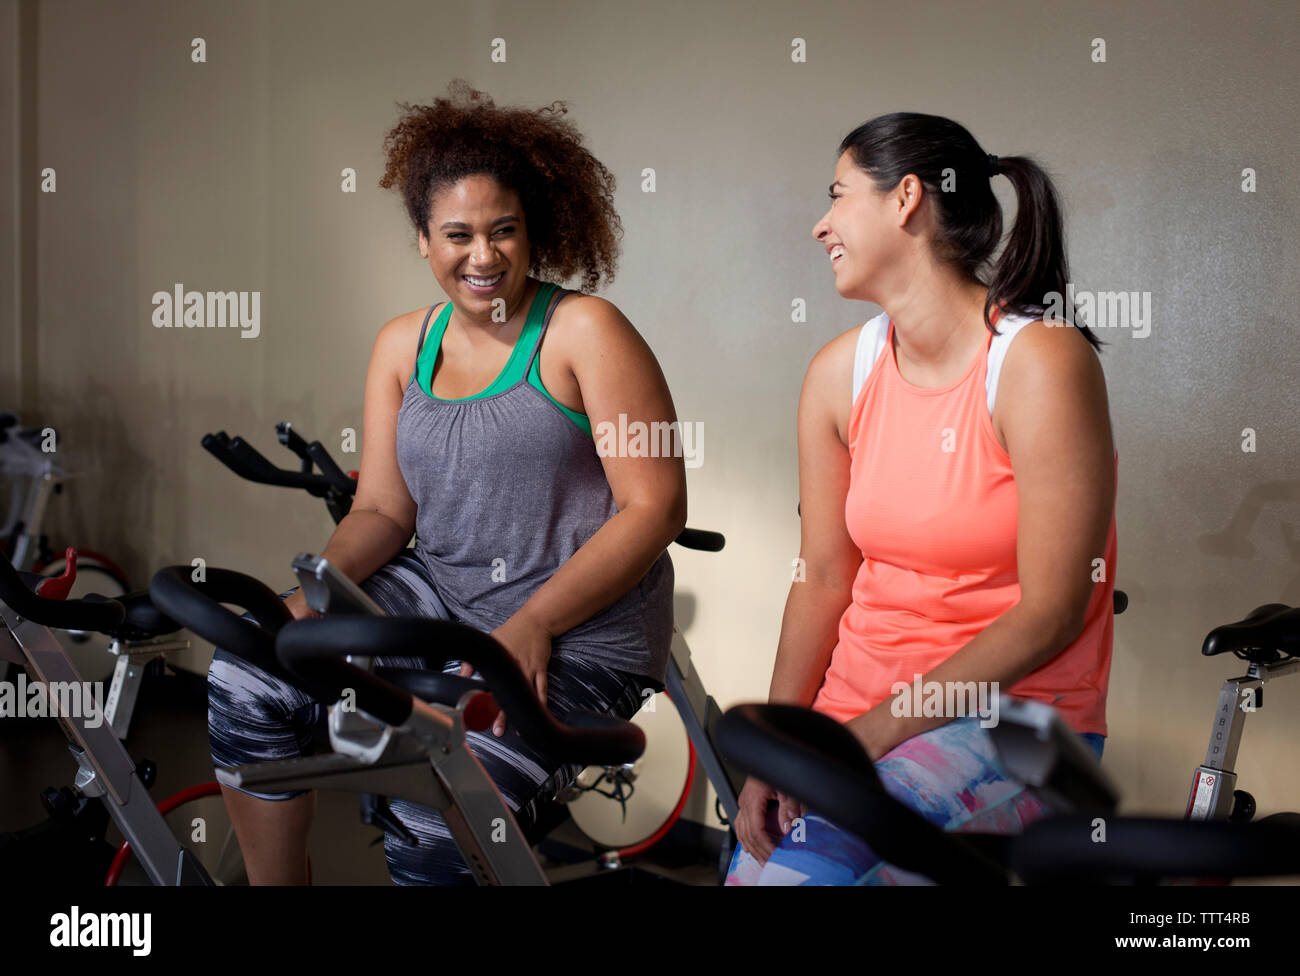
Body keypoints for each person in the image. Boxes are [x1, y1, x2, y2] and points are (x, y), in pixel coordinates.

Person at [208, 80, 686, 884]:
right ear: (423, 241)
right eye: (458, 235)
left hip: (582, 629)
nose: (484, 256)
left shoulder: (585, 333)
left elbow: (657, 506)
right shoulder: (403, 345)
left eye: (504, 231)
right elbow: (385, 510)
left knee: (441, 811)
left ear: (533, 231)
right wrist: (321, 590)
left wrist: (533, 623)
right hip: (447, 596)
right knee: (246, 675)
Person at [727, 112, 1118, 885]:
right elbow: (824, 581)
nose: (820, 225)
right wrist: (782, 746)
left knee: (805, 879)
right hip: (858, 716)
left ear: (906, 197)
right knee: (759, 875)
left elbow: (1052, 610)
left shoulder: (1038, 362)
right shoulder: (839, 374)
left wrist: (871, 736)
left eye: (838, 196)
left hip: (1018, 726)